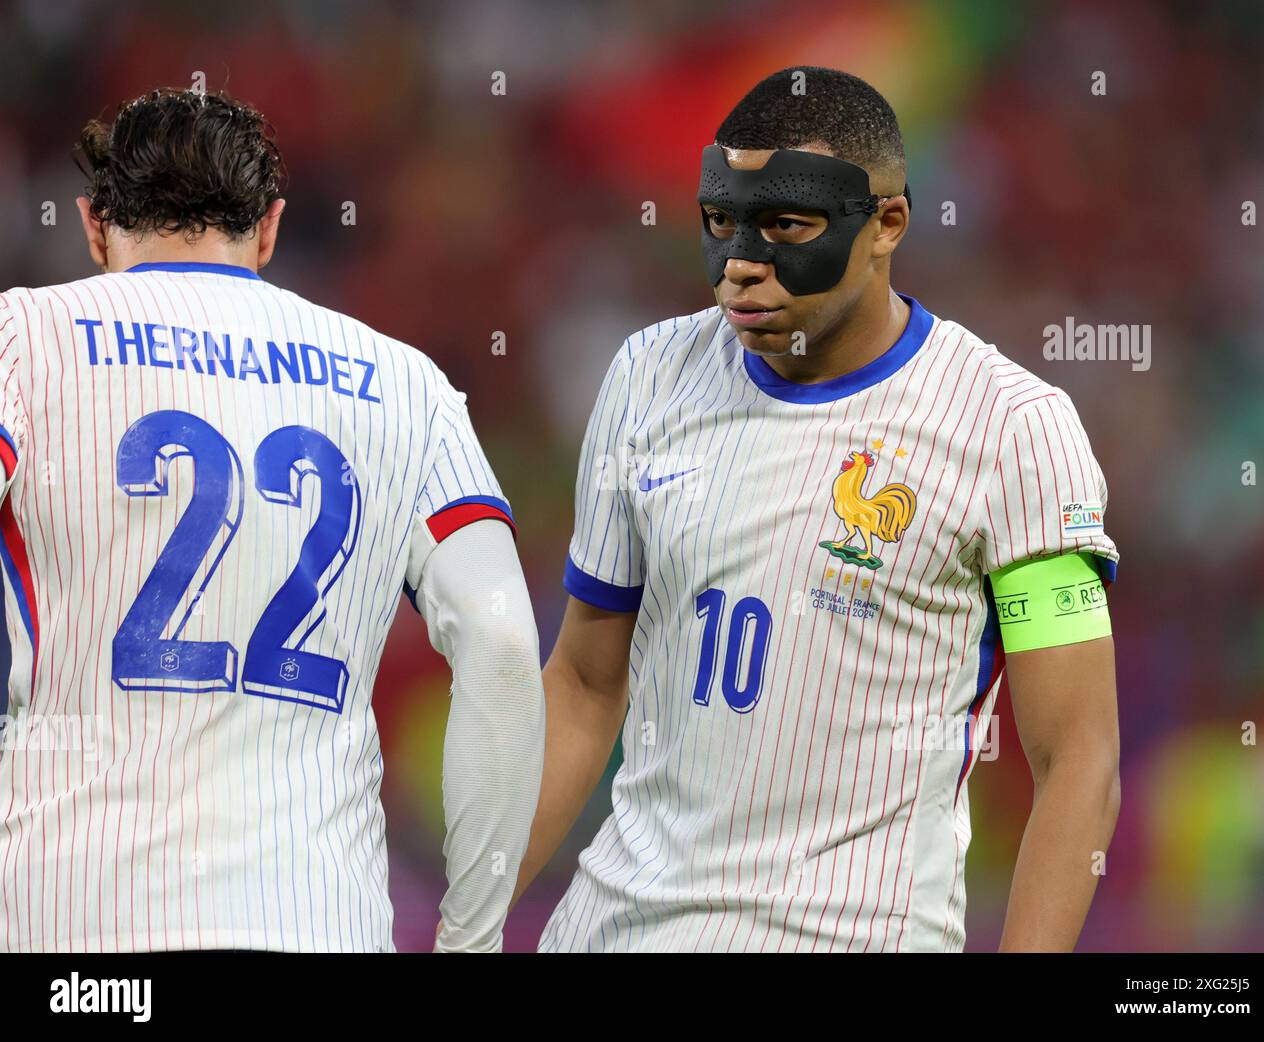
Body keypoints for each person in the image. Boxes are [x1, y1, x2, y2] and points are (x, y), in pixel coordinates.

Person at [518, 67, 1120, 952]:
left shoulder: (1013, 429)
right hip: (611, 930)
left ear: (888, 224)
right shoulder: (648, 376)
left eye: (787, 227)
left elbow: (1079, 764)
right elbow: (581, 682)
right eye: (722, 225)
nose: (740, 267)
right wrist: (468, 914)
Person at [0, 88, 543, 953]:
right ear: (271, 228)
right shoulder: (408, 383)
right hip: (316, 921)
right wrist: (471, 941)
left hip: (77, 928)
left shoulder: (22, 339)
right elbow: (507, 646)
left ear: (94, 226)